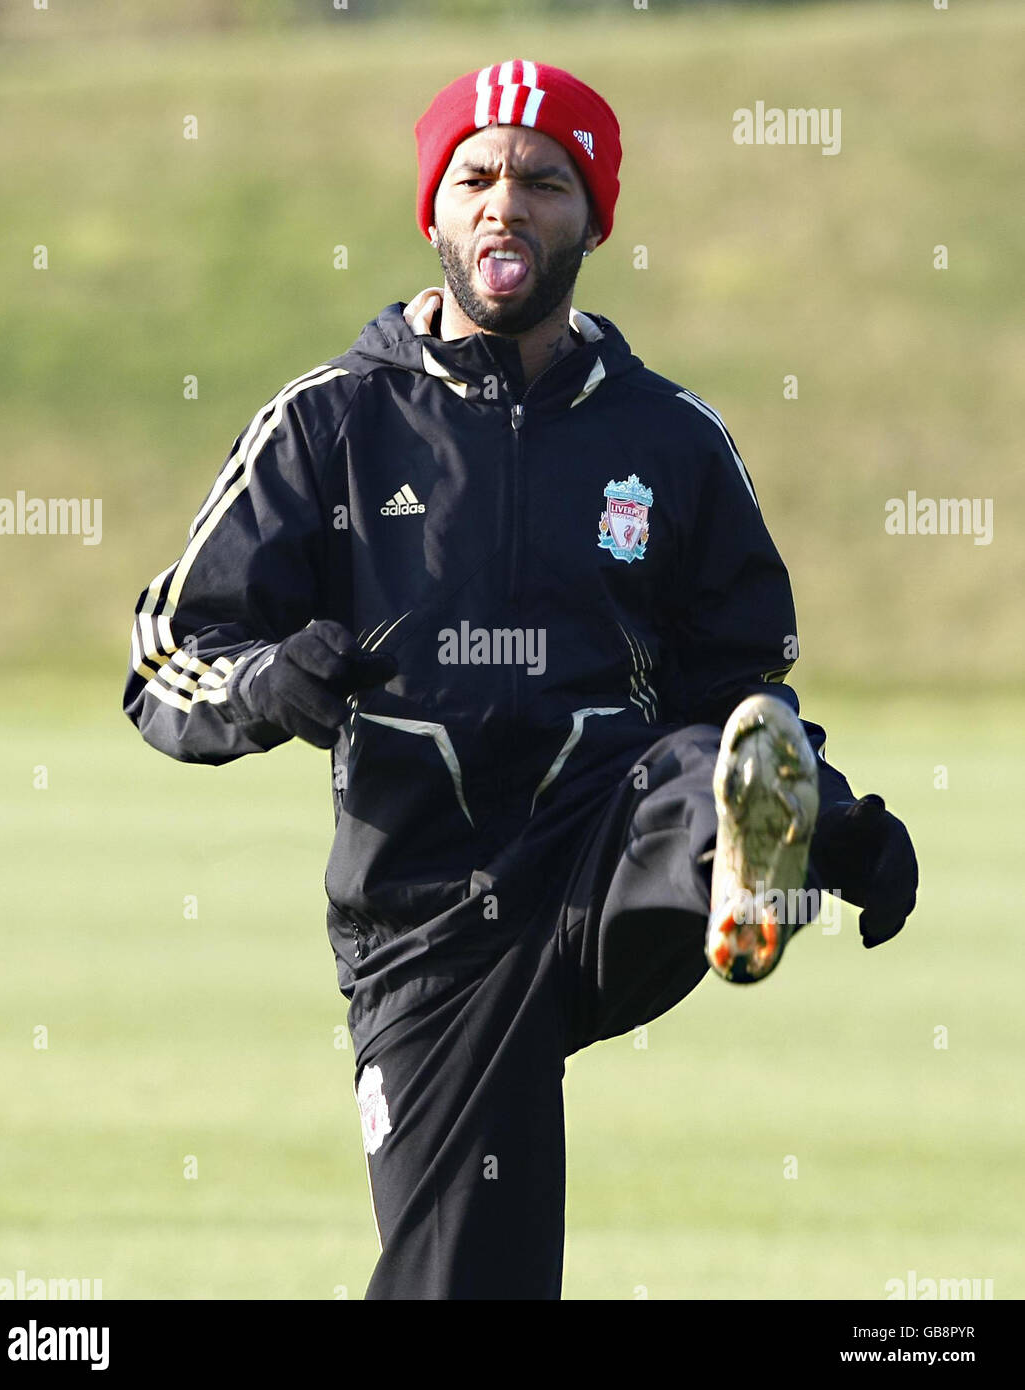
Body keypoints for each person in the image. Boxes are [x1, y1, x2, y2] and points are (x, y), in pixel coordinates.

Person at [124, 60, 918, 1300]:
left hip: (607, 857)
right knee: (462, 1285)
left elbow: (741, 698)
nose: (506, 203)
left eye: (545, 180)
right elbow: (166, 654)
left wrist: (836, 825)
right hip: (426, 923)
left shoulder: (669, 440)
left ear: (594, 218)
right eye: (476, 176)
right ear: (431, 213)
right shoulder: (329, 423)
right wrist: (273, 683)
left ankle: (734, 875)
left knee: (687, 774)